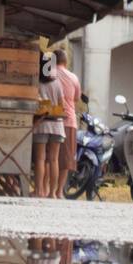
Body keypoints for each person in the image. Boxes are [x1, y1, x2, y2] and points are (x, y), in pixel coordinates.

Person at [34, 51, 66, 198]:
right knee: (54, 159)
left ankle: (39, 191)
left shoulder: (37, 83)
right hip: (57, 125)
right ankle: (52, 193)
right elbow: (62, 105)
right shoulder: (57, 83)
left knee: (40, 159)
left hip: (42, 124)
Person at [53, 47, 83, 198]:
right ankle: (59, 191)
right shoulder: (73, 77)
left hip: (51, 119)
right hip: (69, 121)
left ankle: (47, 190)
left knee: (50, 158)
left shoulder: (49, 75)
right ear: (65, 61)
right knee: (65, 160)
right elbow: (77, 98)